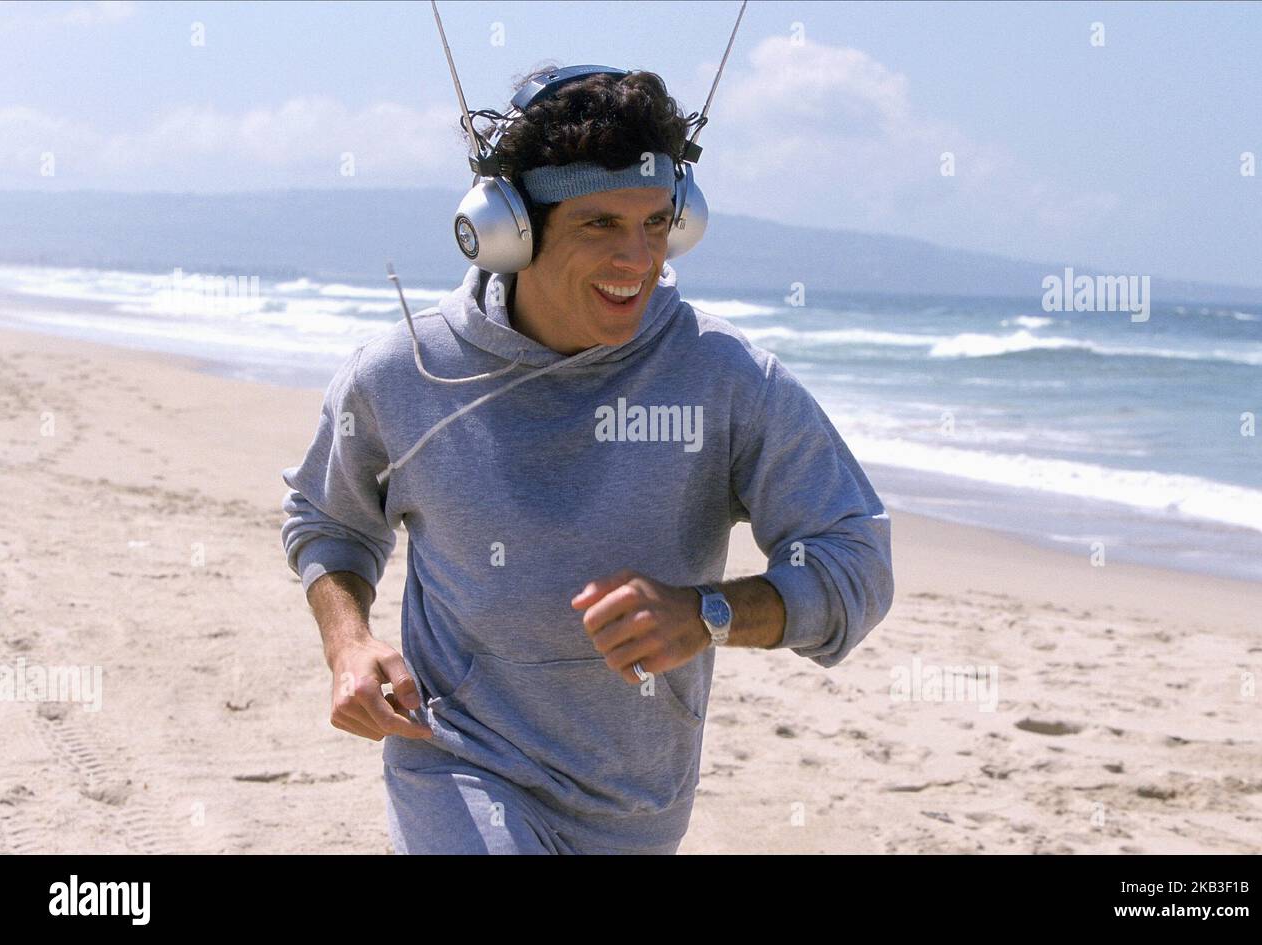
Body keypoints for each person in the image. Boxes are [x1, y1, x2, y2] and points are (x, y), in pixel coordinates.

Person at [280, 67, 894, 855]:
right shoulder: (403, 374)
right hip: (458, 759)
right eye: (600, 223)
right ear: (512, 231)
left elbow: (855, 562)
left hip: (636, 801)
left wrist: (710, 613)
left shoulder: (728, 379)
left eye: (655, 223)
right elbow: (329, 519)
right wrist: (348, 642)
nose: (638, 258)